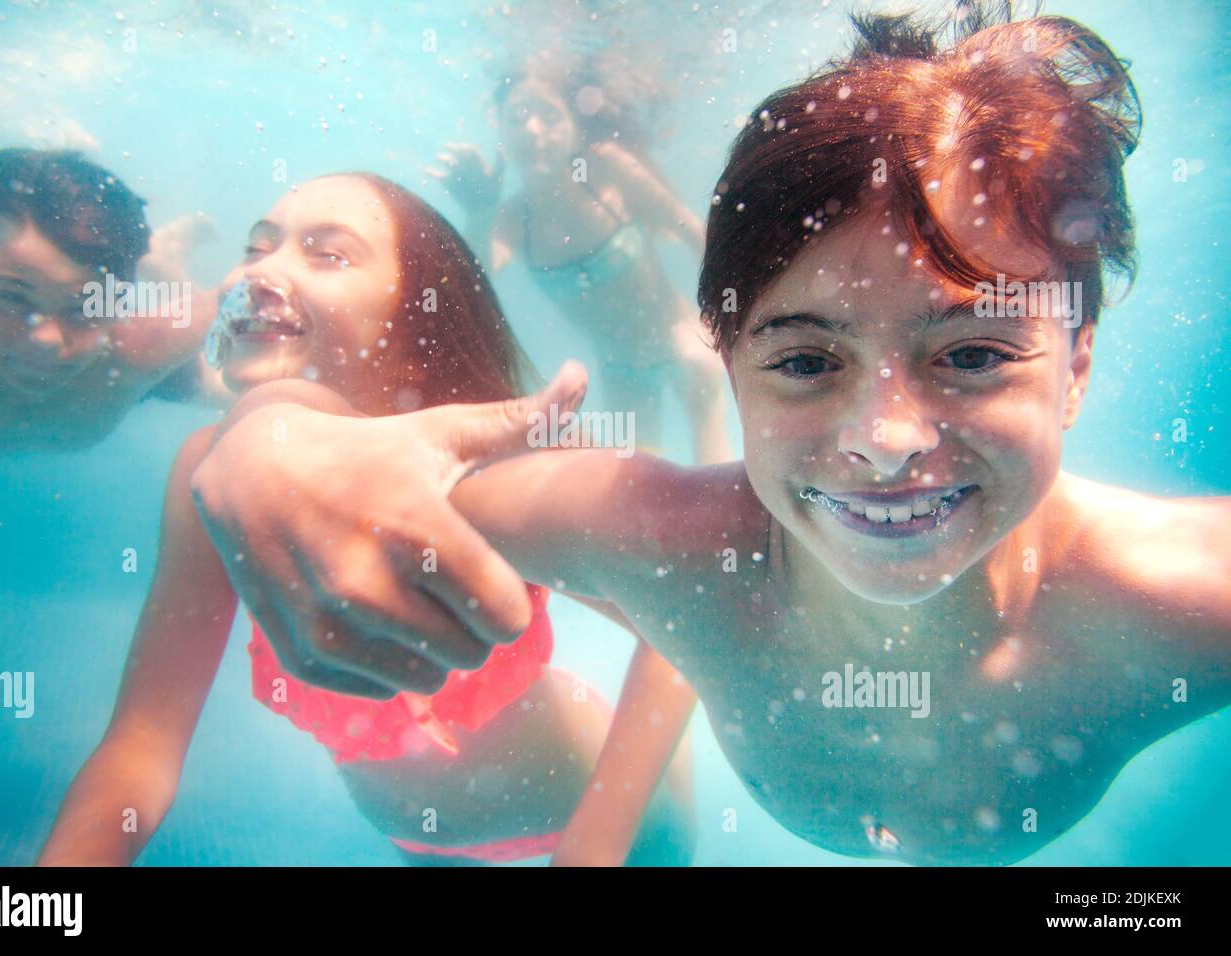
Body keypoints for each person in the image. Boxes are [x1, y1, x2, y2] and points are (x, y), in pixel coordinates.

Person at [187, 8, 1231, 865]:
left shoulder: (1178, 599)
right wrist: (262, 429)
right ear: (734, 367)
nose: (885, 441)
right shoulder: (662, 542)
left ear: (1078, 364)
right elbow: (354, 471)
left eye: (970, 354)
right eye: (807, 360)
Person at [38, 172, 695, 867]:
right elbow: (141, 747)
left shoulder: (487, 461)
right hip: (419, 843)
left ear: (413, 316)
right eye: (257, 248)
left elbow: (682, 622)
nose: (263, 271)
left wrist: (594, 849)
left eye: (327, 254)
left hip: (598, 816)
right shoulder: (209, 475)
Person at [428, 56, 732, 464]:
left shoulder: (606, 170)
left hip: (684, 347)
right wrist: (479, 211)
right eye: (518, 118)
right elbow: (471, 288)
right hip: (621, 372)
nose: (533, 130)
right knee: (639, 497)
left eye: (549, 116)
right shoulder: (512, 219)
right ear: (500, 131)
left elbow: (694, 234)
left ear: (575, 128)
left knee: (715, 476)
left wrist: (722, 320)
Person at [0, 148, 218, 453]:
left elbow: (247, 297)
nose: (47, 340)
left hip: (125, 375)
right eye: (13, 298)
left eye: (86, 307)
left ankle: (163, 261)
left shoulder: (139, 352)